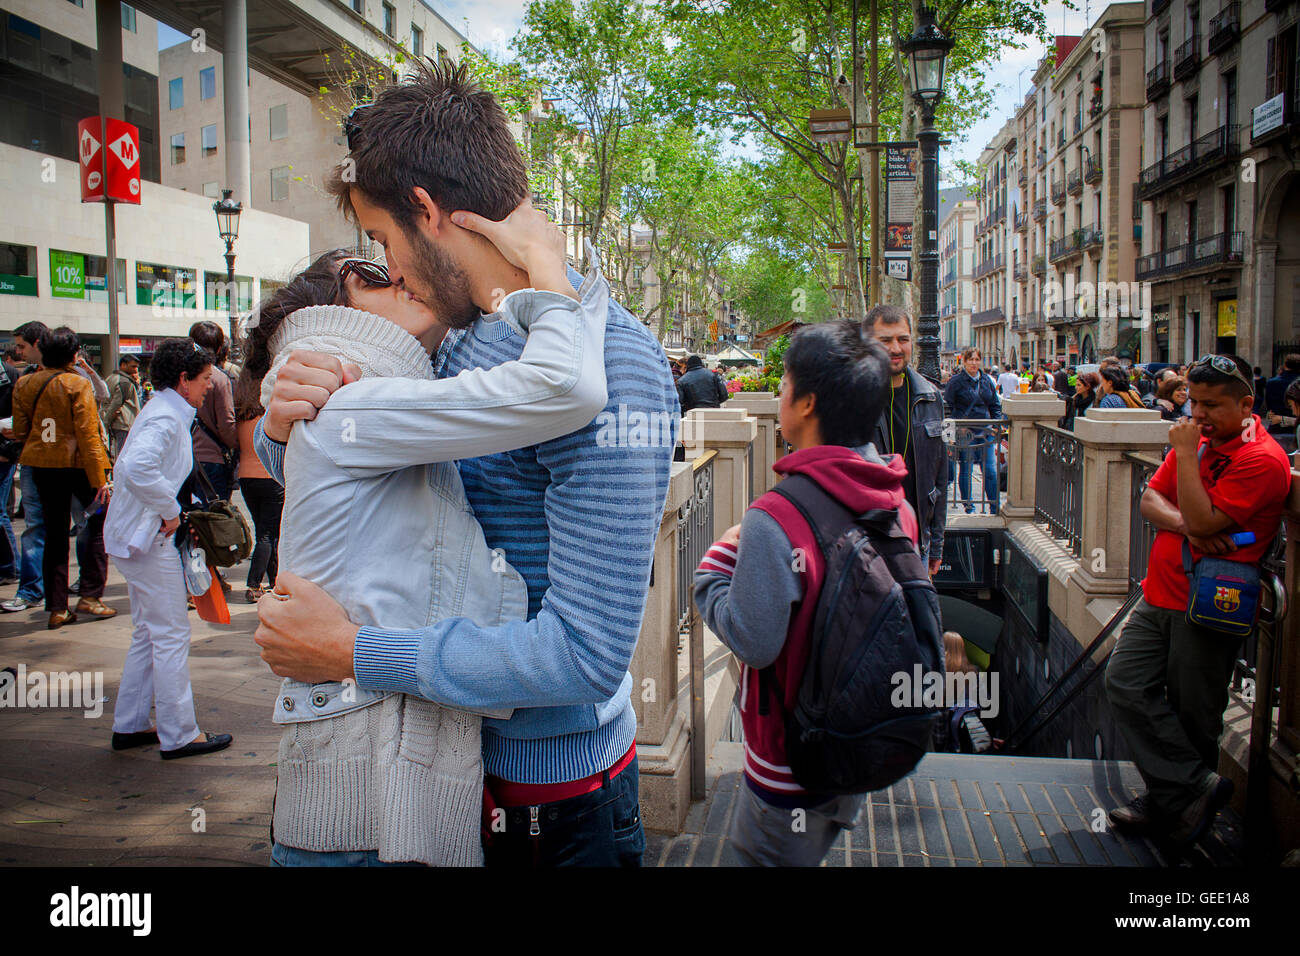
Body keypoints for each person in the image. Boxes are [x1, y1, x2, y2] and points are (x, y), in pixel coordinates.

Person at [251, 60, 676, 867]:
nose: (391, 271)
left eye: (384, 241)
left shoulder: (616, 366)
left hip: (553, 806)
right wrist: (289, 422)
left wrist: (351, 653)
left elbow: (582, 656)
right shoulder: (449, 333)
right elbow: (377, 484)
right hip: (435, 782)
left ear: (427, 212)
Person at [246, 207, 606, 866]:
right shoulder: (352, 405)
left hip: (371, 802)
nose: (401, 275)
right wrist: (549, 268)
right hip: (358, 817)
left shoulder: (359, 400)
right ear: (334, 315)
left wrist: (277, 425)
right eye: (372, 269)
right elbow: (561, 386)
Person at [693, 322, 905, 865]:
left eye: (784, 384)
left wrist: (712, 569)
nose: (780, 394)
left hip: (789, 759)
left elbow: (754, 640)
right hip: (858, 736)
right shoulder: (893, 498)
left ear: (806, 404)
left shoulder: (777, 516)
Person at [1106, 354, 1292, 846]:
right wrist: (1191, 523)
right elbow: (1152, 499)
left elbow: (1210, 522)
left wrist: (1187, 463)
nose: (1199, 414)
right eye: (1194, 401)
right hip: (1160, 590)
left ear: (1246, 404)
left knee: (1194, 713)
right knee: (1124, 681)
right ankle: (1195, 787)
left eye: (1211, 405)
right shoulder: (1201, 441)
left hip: (1212, 601)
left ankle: (1175, 814)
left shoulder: (1261, 459)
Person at [104, 337, 232, 760]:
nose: (209, 386)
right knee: (171, 634)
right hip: (146, 538)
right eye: (205, 379)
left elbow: (137, 467)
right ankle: (180, 734)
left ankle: (132, 724)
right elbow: (136, 466)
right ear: (184, 380)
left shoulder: (163, 410)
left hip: (134, 537)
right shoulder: (166, 417)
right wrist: (171, 510)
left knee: (149, 632)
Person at [10, 327, 115, 629]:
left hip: (42, 467)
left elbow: (20, 430)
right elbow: (89, 436)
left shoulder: (25, 383)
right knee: (96, 523)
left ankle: (56, 607)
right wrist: (100, 479)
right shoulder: (75, 384)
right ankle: (90, 595)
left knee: (54, 534)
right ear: (74, 354)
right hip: (79, 467)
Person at [863, 305, 945, 576]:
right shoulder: (852, 399)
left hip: (916, 543)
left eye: (903, 339)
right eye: (884, 340)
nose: (895, 348)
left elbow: (940, 477)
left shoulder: (932, 398)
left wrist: (936, 545)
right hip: (868, 545)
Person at [233, 369, 282, 603]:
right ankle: (254, 584)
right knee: (268, 533)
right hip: (270, 479)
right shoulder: (270, 418)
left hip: (246, 479)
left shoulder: (242, 418)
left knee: (265, 531)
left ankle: (275, 581)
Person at [943, 347, 1002, 514]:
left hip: (985, 431)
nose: (974, 363)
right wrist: (950, 435)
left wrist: (997, 424)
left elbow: (995, 405)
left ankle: (994, 505)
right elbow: (947, 407)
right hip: (964, 433)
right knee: (966, 469)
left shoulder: (986, 381)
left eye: (977, 359)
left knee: (990, 469)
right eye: (971, 360)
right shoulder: (955, 382)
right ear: (965, 361)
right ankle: (969, 506)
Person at [186, 321, 238, 502]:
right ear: (218, 349)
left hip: (183, 456)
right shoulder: (218, 378)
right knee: (214, 520)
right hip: (211, 459)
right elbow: (226, 425)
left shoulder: (179, 374)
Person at [0, 348, 21, 583]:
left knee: (1, 513)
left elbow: (20, 418)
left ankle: (10, 567)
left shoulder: (10, 375)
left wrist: (8, 451)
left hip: (3, 454)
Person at [102, 354, 142, 460]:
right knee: (123, 456)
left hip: (118, 423)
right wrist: (105, 424)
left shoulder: (111, 378)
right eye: (133, 366)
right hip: (124, 423)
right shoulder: (124, 382)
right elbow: (116, 404)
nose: (135, 369)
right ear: (123, 365)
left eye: (137, 367)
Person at [1264, 353, 1300, 435]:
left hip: (1277, 426)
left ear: (1285, 365)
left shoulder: (1272, 382)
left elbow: (1269, 405)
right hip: (1295, 427)